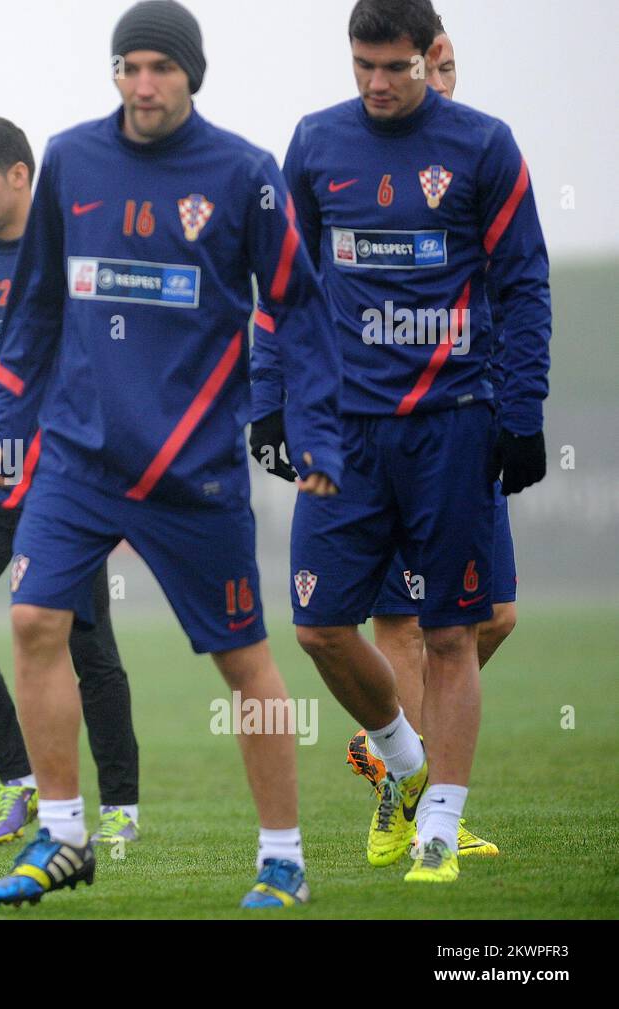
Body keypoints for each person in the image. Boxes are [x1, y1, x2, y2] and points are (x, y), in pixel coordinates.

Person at [0, 0, 343, 908]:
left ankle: (284, 858)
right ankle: (63, 835)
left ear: (191, 75)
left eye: (160, 68)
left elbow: (300, 307)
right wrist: (2, 426)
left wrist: (321, 432)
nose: (143, 85)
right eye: (128, 66)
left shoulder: (244, 174)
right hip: (78, 454)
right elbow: (33, 311)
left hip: (194, 469)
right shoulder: (70, 159)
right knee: (31, 621)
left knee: (244, 661)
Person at [273, 0, 549, 883]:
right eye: (363, 65)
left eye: (395, 66)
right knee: (318, 625)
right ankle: (406, 760)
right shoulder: (315, 143)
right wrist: (269, 400)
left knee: (458, 629)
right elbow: (281, 284)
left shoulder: (485, 145)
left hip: (452, 425)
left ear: (434, 56)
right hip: (345, 432)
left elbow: (523, 284)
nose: (378, 83)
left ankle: (439, 830)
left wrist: (523, 410)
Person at [0, 117, 142, 846]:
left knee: (87, 645)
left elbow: (119, 366)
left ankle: (122, 807)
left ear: (18, 174)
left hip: (63, 486)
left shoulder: (75, 255)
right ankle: (22, 778)